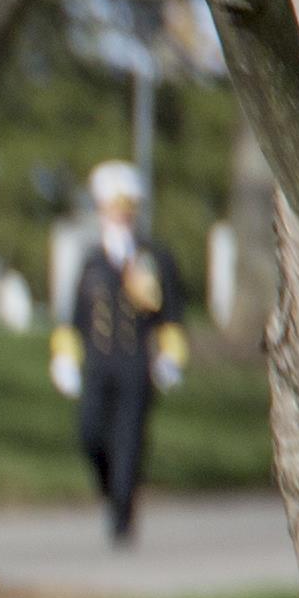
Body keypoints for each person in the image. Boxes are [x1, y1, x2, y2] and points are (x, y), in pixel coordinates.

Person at [57, 160, 189, 545]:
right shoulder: (92, 260)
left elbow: (172, 315)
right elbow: (75, 316)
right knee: (90, 433)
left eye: (126, 208)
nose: (120, 215)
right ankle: (110, 490)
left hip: (135, 363)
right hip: (99, 361)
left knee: (129, 441)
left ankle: (122, 517)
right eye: (113, 208)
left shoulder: (153, 258)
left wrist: (171, 356)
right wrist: (65, 358)